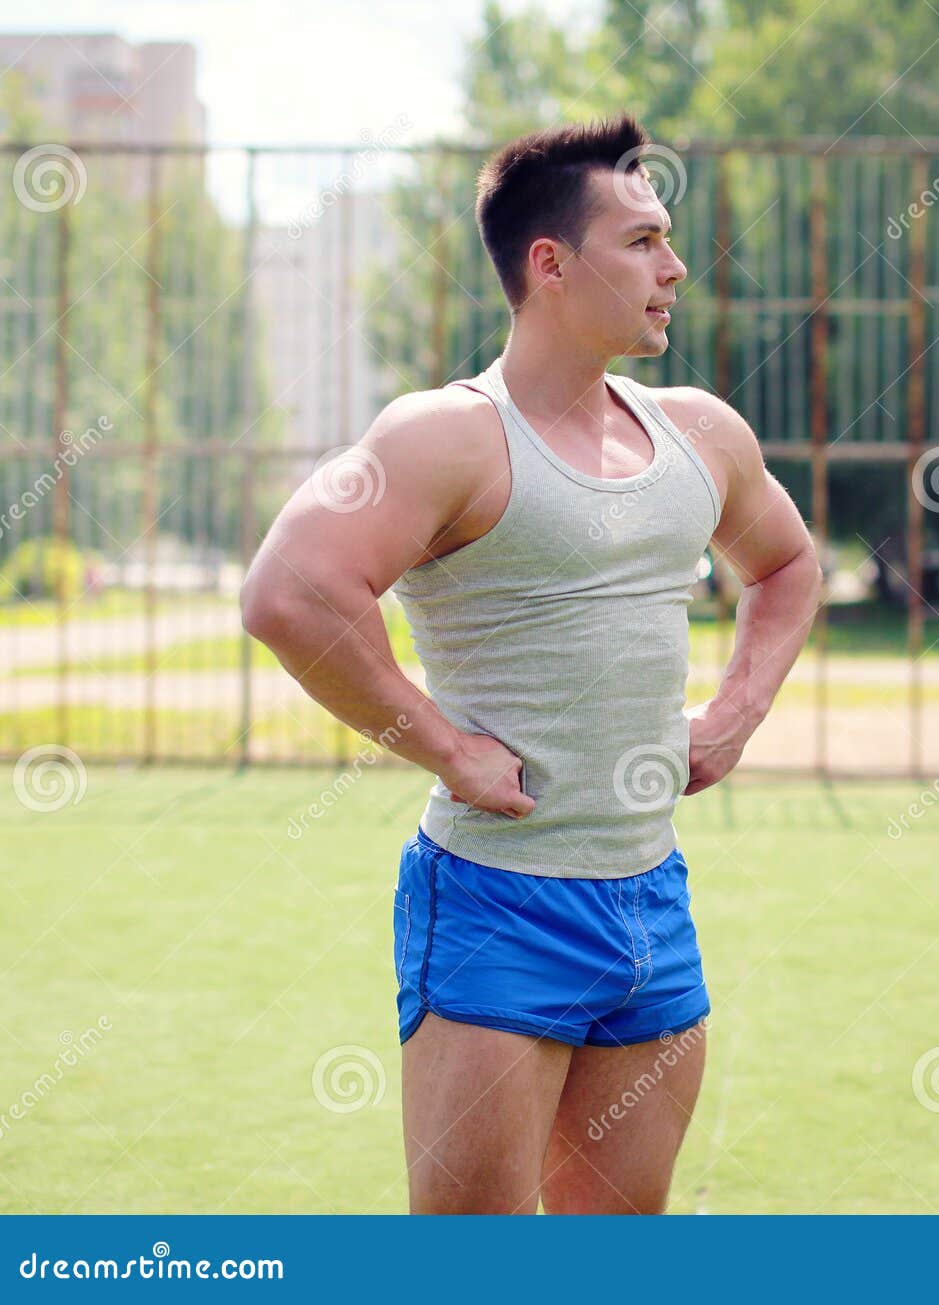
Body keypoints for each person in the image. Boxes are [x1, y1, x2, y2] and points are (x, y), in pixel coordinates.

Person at [240, 112, 821, 1214]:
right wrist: (446, 749)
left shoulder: (701, 433)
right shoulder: (445, 437)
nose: (675, 265)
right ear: (549, 264)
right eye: (643, 240)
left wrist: (736, 713)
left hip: (649, 896)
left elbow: (785, 566)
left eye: (668, 238)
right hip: (496, 902)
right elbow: (288, 592)